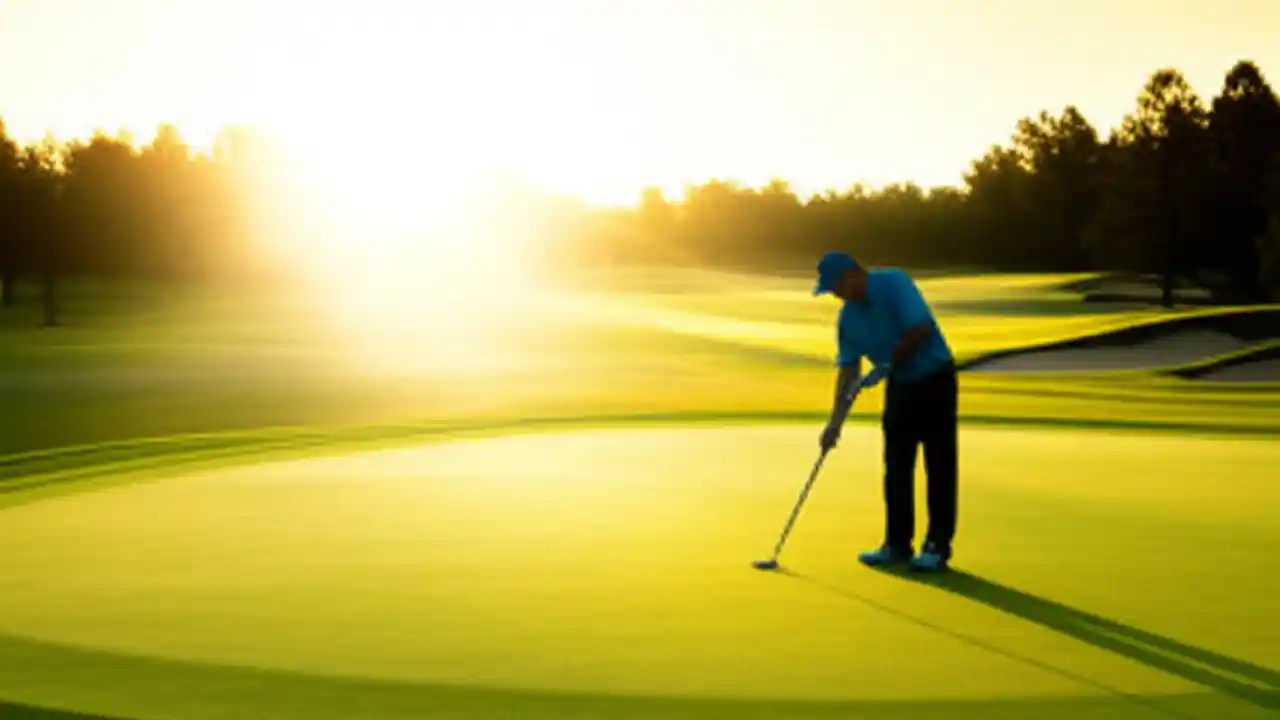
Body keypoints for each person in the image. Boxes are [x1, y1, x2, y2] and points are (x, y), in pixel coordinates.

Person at [812, 251, 958, 572]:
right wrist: (834, 423)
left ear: (852, 275)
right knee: (896, 466)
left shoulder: (893, 282)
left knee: (939, 464)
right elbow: (848, 373)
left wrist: (889, 362)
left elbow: (919, 328)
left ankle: (936, 546)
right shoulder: (848, 320)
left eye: (835, 287)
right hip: (901, 386)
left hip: (936, 380)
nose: (835, 295)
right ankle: (896, 543)